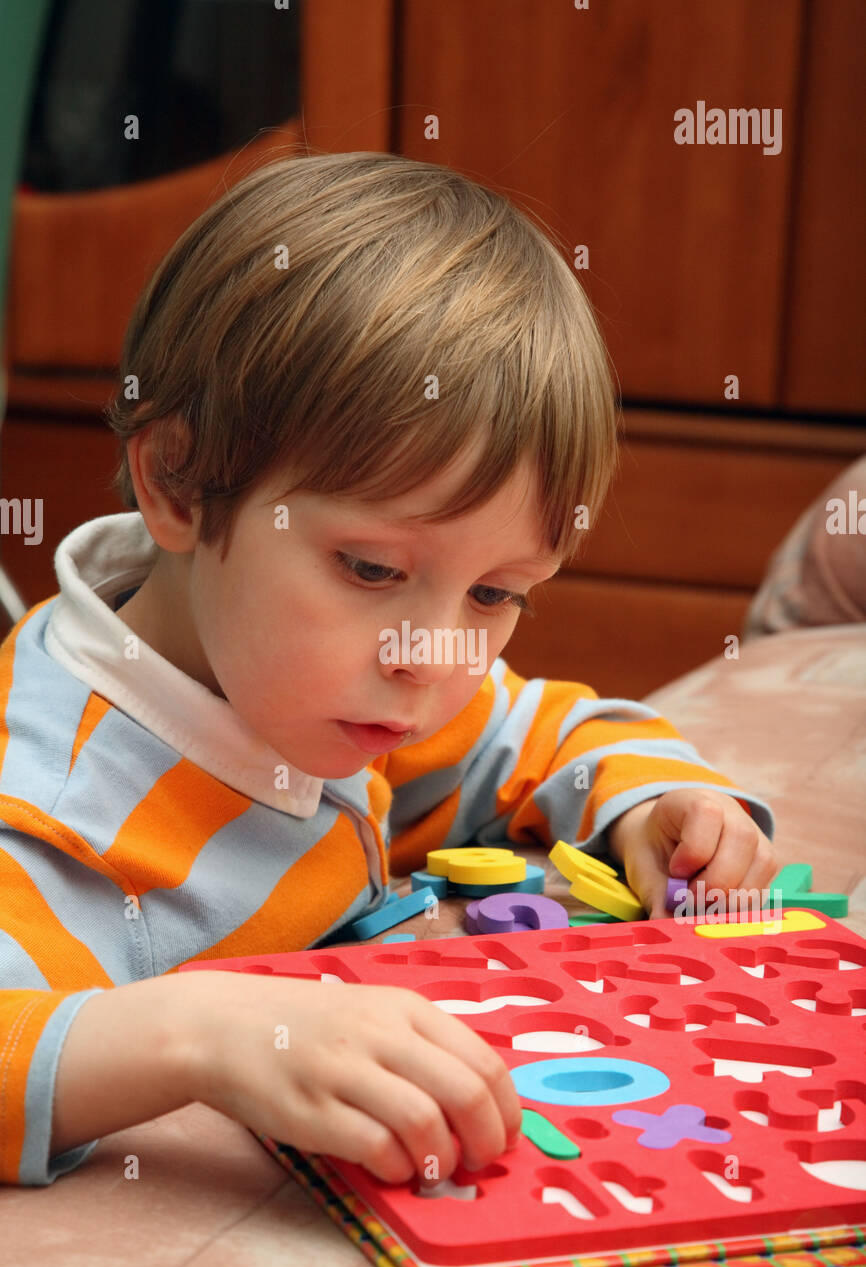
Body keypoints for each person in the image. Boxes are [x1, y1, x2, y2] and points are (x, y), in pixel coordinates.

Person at [0, 152, 778, 1189]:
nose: (432, 659)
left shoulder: (335, 693)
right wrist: (202, 1035)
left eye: (495, 595)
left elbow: (531, 730)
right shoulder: (52, 806)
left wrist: (652, 805)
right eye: (370, 568)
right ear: (179, 483)